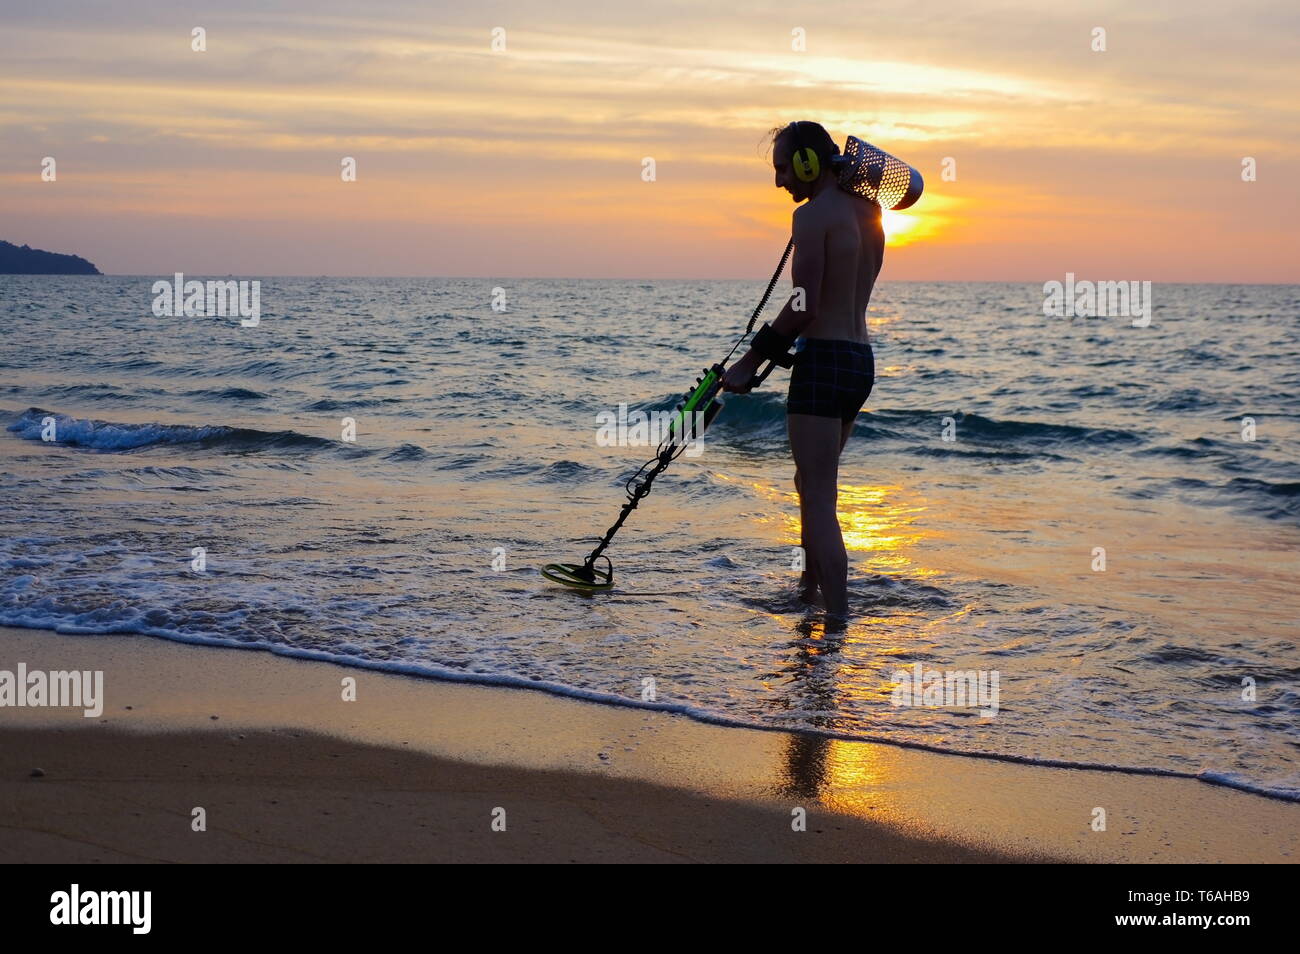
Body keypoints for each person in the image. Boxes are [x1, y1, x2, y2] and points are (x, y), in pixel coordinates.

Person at [720, 121, 884, 618]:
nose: (778, 182)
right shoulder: (869, 210)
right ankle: (807, 598)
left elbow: (804, 305)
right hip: (858, 362)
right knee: (810, 486)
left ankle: (836, 623)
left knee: (818, 497)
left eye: (783, 168)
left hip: (824, 360)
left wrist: (750, 361)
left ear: (810, 163)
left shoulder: (812, 218)